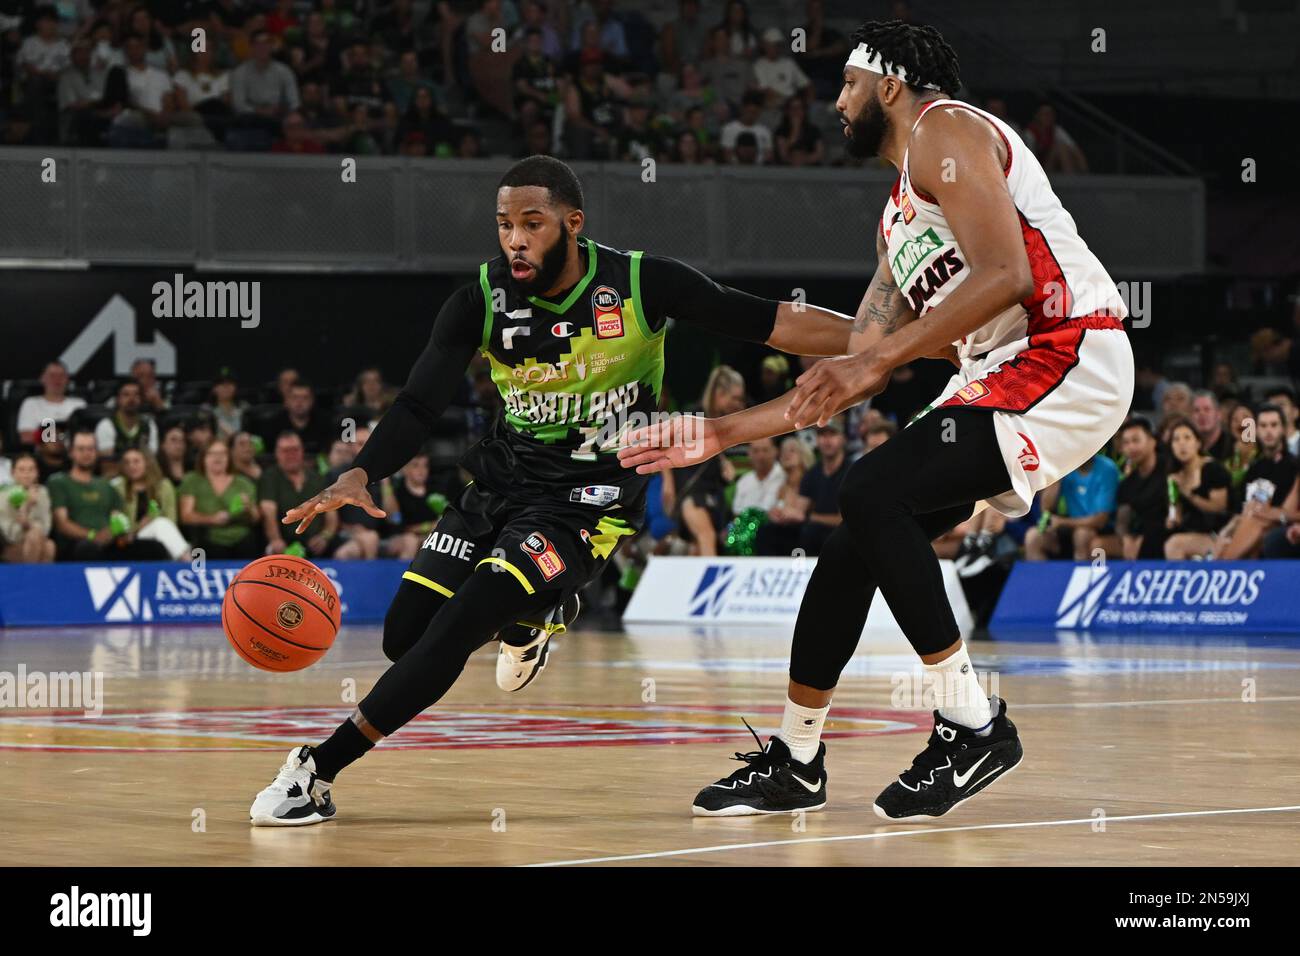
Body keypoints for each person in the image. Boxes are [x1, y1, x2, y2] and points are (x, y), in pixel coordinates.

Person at [620, 20, 1134, 821]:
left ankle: (973, 723)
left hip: (1067, 349)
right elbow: (855, 355)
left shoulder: (946, 128)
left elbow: (1005, 273)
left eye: (847, 85)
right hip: (998, 373)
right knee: (850, 541)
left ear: (889, 84)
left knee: (870, 491)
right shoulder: (897, 216)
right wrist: (721, 432)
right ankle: (796, 757)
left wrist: (879, 361)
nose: (835, 101)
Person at [247, 154, 860, 825]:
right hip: (502, 482)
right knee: (406, 638)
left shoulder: (638, 283)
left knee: (455, 628)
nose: (514, 237)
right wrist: (362, 470)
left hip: (589, 499)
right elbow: (419, 406)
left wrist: (887, 343)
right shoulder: (478, 299)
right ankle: (535, 617)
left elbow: (771, 320)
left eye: (531, 223)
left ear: (572, 224)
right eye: (505, 223)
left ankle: (315, 771)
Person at [49, 430, 169, 561]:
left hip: (109, 543)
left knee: (154, 548)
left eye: (90, 449)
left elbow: (117, 518)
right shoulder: (59, 482)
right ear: (71, 452)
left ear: (96, 452)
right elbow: (62, 523)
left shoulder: (106, 486)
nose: (86, 453)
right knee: (88, 549)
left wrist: (120, 533)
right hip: (77, 545)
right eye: (81, 449)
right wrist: (92, 536)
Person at [1213, 404, 1299, 560]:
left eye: (1274, 425)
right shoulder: (1254, 468)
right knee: (1228, 536)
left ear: (1283, 429)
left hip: (1277, 524)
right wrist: (1228, 530)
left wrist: (1271, 513)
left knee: (1255, 524)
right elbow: (1241, 507)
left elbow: (1288, 510)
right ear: (1256, 431)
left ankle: (1221, 567)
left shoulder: (1294, 466)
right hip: (1249, 522)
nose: (1268, 431)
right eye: (1263, 426)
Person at [1023, 453, 1121, 560]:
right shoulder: (1066, 467)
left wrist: (1062, 522)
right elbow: (1045, 508)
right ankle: (1042, 576)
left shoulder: (1107, 469)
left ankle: (1082, 575)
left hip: (1099, 530)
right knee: (1032, 537)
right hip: (1068, 529)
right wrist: (1057, 475)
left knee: (1081, 535)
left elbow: (1101, 520)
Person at [178, 438, 260, 559]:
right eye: (212, 454)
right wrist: (212, 519)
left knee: (249, 543)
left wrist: (249, 508)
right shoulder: (192, 480)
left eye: (222, 453)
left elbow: (256, 518)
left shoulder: (243, 483)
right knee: (208, 548)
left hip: (242, 537)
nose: (218, 458)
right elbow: (186, 516)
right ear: (203, 458)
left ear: (229, 457)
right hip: (206, 538)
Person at [1162, 419, 1231, 559]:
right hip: (1191, 532)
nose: (1182, 443)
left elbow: (1219, 508)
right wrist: (1172, 519)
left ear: (1198, 443)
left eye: (1187, 438)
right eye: (1176, 439)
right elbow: (1176, 513)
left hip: (1221, 533)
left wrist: (1188, 493)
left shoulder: (1213, 469)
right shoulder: (1174, 476)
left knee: (1174, 544)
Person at [110, 447, 189, 561]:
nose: (131, 466)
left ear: (147, 463)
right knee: (160, 524)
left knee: (161, 524)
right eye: (127, 462)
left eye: (136, 461)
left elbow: (171, 521)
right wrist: (141, 525)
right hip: (129, 540)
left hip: (160, 535)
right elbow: (119, 529)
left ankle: (188, 560)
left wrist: (151, 521)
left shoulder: (164, 486)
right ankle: (192, 564)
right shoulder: (117, 488)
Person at [1115, 417, 1168, 559]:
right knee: (1098, 546)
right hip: (1138, 536)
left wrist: (1143, 539)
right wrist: (1125, 538)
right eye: (1126, 443)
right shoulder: (1127, 484)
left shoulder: (1170, 470)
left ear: (1152, 441)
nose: (1131, 447)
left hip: (1168, 535)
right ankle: (1098, 576)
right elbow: (1122, 522)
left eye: (1136, 440)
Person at [0, 454, 55, 563]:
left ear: (37, 473)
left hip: (37, 541)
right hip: (10, 546)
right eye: (21, 470)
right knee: (36, 538)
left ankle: (35, 578)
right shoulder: (3, 495)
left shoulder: (42, 493)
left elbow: (46, 527)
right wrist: (26, 506)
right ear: (13, 473)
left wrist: (31, 528)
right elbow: (11, 535)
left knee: (49, 545)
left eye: (31, 469)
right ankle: (30, 578)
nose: (27, 474)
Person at [17, 361, 86, 445]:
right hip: (41, 454)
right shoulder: (31, 403)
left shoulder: (79, 404)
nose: (57, 380)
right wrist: (58, 436)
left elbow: (86, 435)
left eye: (61, 376)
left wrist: (49, 433)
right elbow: (26, 437)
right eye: (52, 376)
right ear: (42, 378)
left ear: (67, 379)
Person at [732, 436, 784, 514]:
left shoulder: (785, 477)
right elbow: (736, 511)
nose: (760, 456)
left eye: (765, 450)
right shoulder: (744, 481)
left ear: (775, 451)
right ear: (749, 453)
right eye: (755, 451)